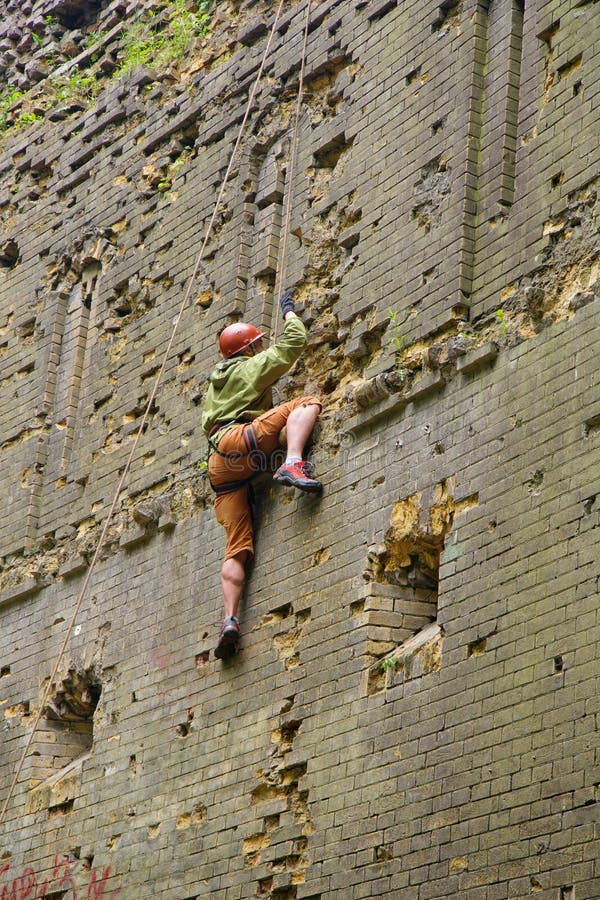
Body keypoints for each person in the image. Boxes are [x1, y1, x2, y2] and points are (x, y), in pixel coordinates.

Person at [201, 289, 322, 659]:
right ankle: (293, 462)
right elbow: (292, 345)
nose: (258, 351)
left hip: (221, 468)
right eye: (256, 346)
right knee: (306, 402)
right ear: (249, 349)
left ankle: (229, 620)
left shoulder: (216, 383)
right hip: (244, 441)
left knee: (237, 548)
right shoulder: (249, 367)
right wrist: (287, 314)